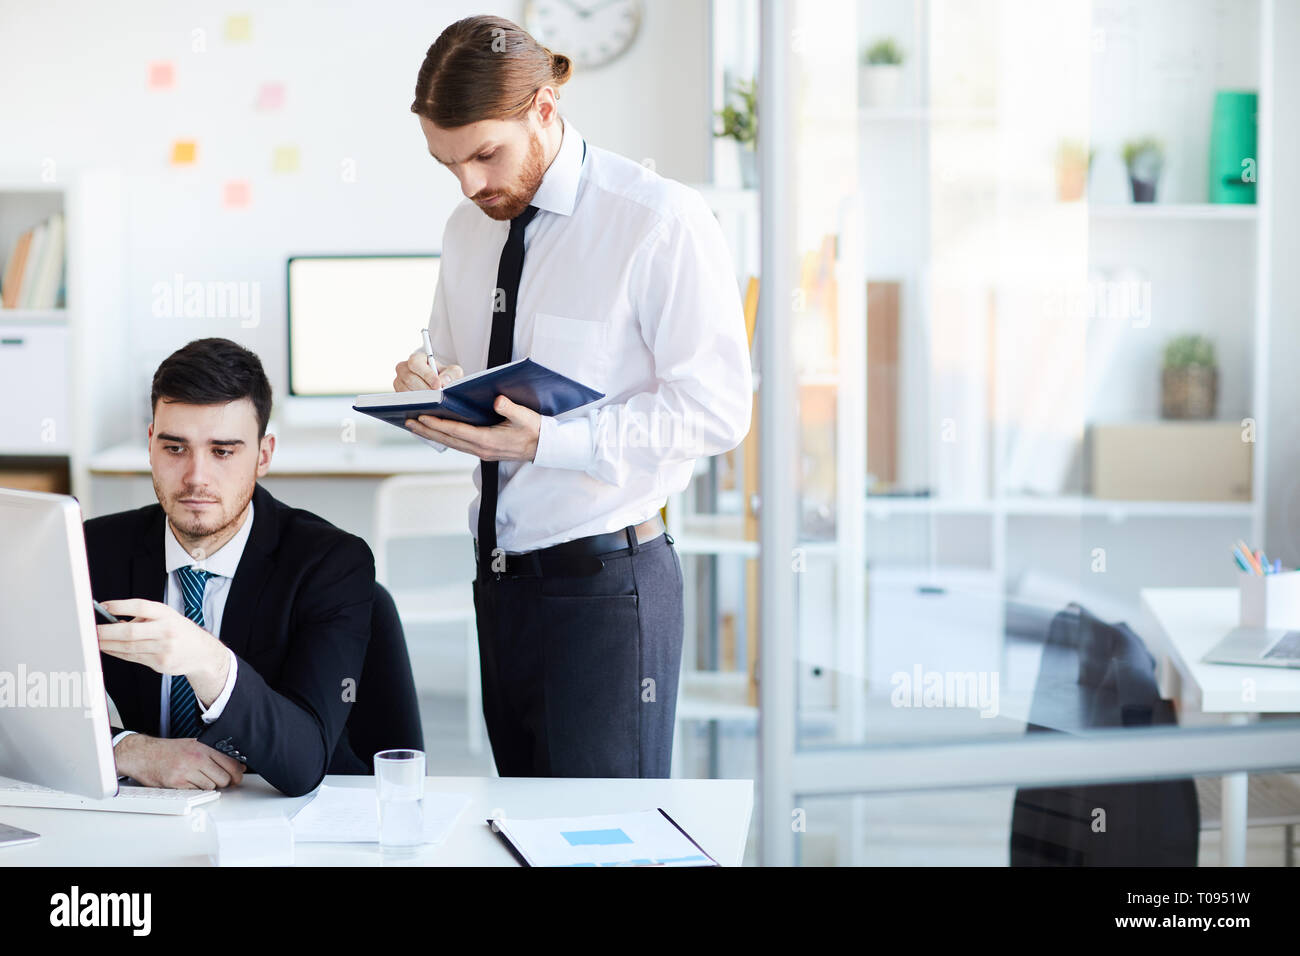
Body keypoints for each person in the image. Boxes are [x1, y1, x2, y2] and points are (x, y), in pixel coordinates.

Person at [393, 15, 753, 778]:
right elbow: (462, 372)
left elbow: (718, 408)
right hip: (501, 586)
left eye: (486, 154)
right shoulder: (468, 229)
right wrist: (428, 394)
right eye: (446, 163)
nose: (470, 185)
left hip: (606, 591)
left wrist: (549, 442)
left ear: (545, 110)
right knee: (523, 828)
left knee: (606, 843)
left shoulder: (658, 222)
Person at [86, 338, 376, 797]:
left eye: (223, 451)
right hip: (150, 818)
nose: (197, 477)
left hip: (288, 820)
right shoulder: (91, 548)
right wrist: (126, 748)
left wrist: (208, 662)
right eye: (175, 448)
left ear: (263, 454)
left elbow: (304, 762)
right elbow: (24, 700)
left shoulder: (331, 564)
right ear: (150, 445)